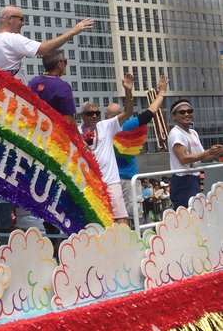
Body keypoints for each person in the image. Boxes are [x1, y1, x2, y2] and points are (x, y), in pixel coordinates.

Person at [0, 6, 94, 82]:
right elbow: (44, 49)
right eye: (21, 19)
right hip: (12, 99)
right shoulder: (12, 39)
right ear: (9, 18)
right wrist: (73, 31)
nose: (23, 23)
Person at [78, 74, 134, 224]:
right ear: (82, 115)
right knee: (95, 220)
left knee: (120, 216)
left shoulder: (106, 125)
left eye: (97, 113)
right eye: (90, 114)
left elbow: (128, 112)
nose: (95, 116)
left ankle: (127, 245)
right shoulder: (76, 132)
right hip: (89, 183)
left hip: (110, 181)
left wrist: (128, 91)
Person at [110, 75, 168, 221]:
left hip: (117, 180)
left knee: (122, 216)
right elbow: (150, 112)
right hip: (123, 180)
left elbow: (149, 113)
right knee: (133, 216)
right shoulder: (122, 127)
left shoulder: (105, 129)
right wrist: (161, 92)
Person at [167, 100, 223, 209]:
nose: (187, 114)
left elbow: (203, 157)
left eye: (189, 111)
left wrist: (217, 152)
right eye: (182, 112)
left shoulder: (193, 133)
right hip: (182, 180)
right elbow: (183, 158)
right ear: (174, 116)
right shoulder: (176, 133)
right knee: (187, 216)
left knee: (196, 214)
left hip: (194, 178)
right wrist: (209, 152)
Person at [28, 51, 75, 124]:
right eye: (65, 61)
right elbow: (68, 119)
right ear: (59, 64)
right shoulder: (63, 86)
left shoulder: (32, 82)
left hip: (33, 129)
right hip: (55, 131)